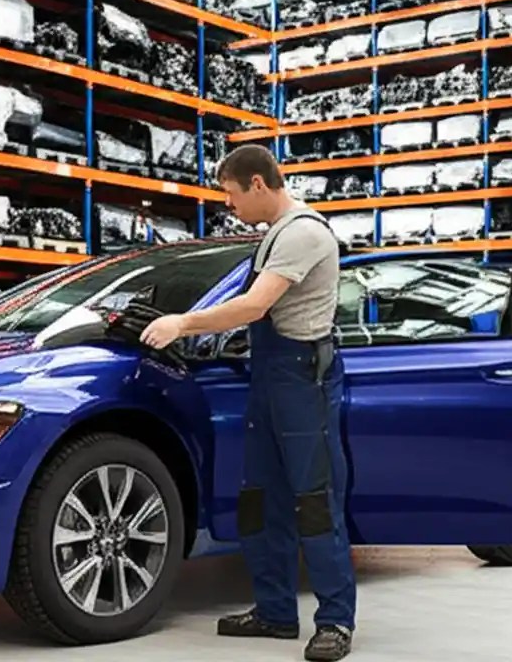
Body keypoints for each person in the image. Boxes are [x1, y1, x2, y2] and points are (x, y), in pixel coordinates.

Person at [139, 144, 356, 661]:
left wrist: (183, 324)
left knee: (314, 502)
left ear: (258, 185)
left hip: (303, 377)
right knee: (262, 498)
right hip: (269, 375)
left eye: (232, 195)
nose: (229, 206)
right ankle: (276, 612)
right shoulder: (273, 236)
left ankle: (335, 622)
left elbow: (255, 304)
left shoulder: (303, 232)